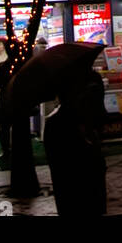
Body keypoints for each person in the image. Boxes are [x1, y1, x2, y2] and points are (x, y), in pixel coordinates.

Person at [43, 67, 107, 215]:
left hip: (68, 189)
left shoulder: (56, 123)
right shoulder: (83, 120)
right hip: (87, 187)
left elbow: (53, 159)